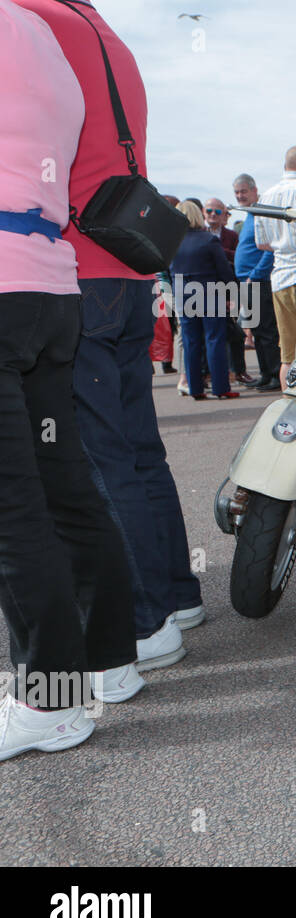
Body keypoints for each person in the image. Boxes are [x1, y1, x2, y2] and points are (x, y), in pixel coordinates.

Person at [18, 0, 202, 671]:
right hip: (127, 259)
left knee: (100, 462)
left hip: (76, 261)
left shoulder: (29, 21)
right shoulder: (104, 30)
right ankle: (175, 594)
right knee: (137, 449)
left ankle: (145, 622)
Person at [0, 0, 143, 760]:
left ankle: (49, 700)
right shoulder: (45, 37)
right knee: (62, 487)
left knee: (15, 508)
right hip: (48, 288)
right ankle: (108, 660)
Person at [255, 146, 296, 391]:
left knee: (288, 355)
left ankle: (289, 403)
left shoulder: (266, 196)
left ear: (285, 167)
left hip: (280, 278)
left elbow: (262, 243)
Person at [172, 201, 240, 400]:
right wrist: (231, 293)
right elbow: (224, 270)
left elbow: (168, 270)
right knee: (214, 339)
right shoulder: (208, 240)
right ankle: (220, 387)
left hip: (183, 292)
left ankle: (195, 388)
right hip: (210, 291)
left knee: (190, 341)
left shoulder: (171, 241)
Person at [232, 174, 281, 391]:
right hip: (247, 281)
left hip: (258, 281)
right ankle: (265, 372)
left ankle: (274, 375)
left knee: (267, 331)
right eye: (237, 192)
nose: (240, 196)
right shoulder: (249, 215)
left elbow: (269, 249)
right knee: (257, 331)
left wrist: (256, 274)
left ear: (254, 190)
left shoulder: (261, 213)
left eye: (243, 191)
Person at [205, 197, 253, 385]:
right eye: (209, 211)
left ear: (224, 214)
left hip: (229, 288)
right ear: (203, 212)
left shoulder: (231, 235)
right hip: (206, 291)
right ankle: (210, 373)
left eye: (217, 212)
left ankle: (239, 372)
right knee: (210, 336)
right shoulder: (200, 234)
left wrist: (217, 251)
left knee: (236, 333)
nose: (212, 215)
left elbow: (238, 256)